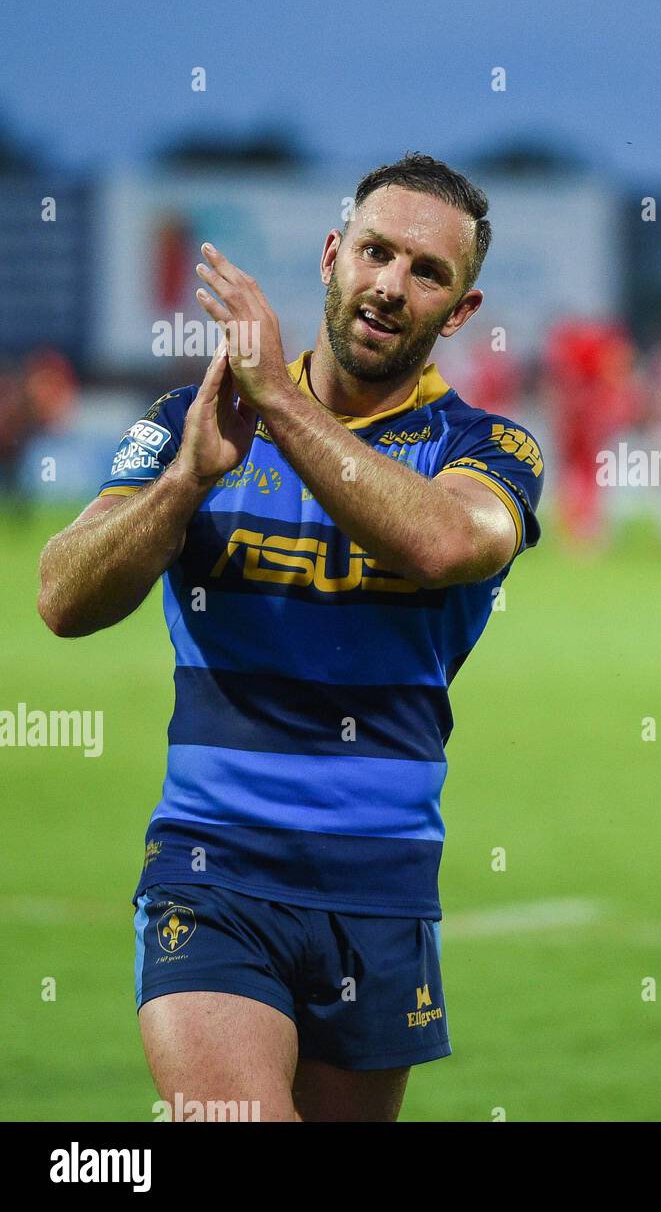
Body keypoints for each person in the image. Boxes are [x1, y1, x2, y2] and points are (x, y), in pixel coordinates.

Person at [37, 153, 544, 1119]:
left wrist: (282, 404)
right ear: (331, 255)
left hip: (384, 881)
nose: (391, 285)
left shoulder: (489, 449)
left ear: (462, 310)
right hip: (213, 868)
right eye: (375, 252)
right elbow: (62, 597)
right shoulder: (193, 424)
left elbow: (441, 542)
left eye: (427, 272)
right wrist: (186, 481)